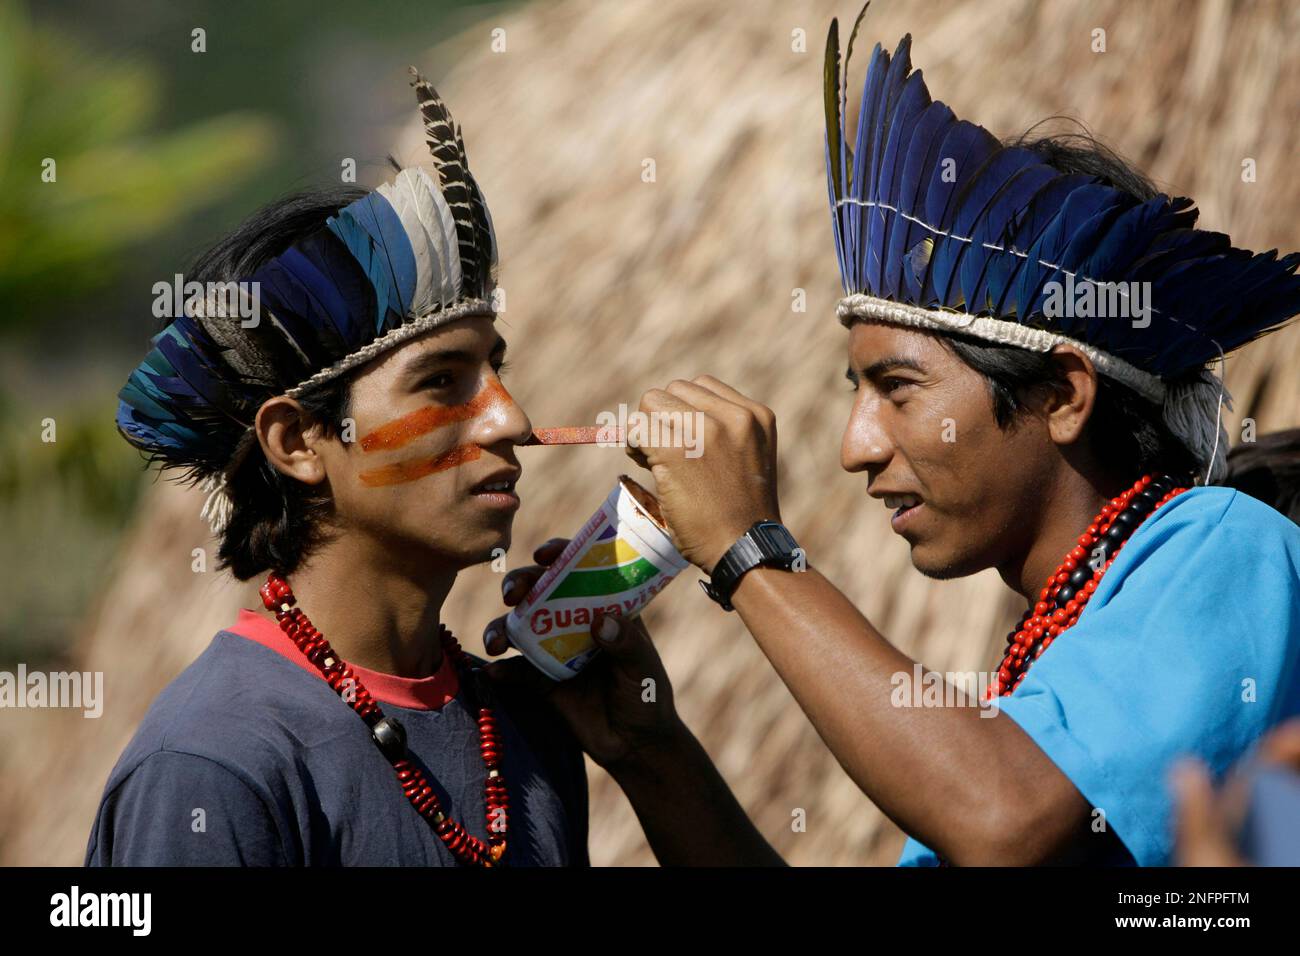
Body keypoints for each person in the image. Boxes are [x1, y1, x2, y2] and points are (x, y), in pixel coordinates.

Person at [490, 12, 1300, 866]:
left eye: (897, 388)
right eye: (857, 392)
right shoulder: (1046, 679)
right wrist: (651, 755)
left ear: (1064, 396)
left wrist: (749, 551)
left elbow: (1005, 821)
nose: (857, 446)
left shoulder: (1228, 549)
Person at [87, 69, 778, 867]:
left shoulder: (524, 729)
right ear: (298, 442)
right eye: (442, 381)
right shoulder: (214, 768)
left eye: (496, 369)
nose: (510, 419)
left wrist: (650, 753)